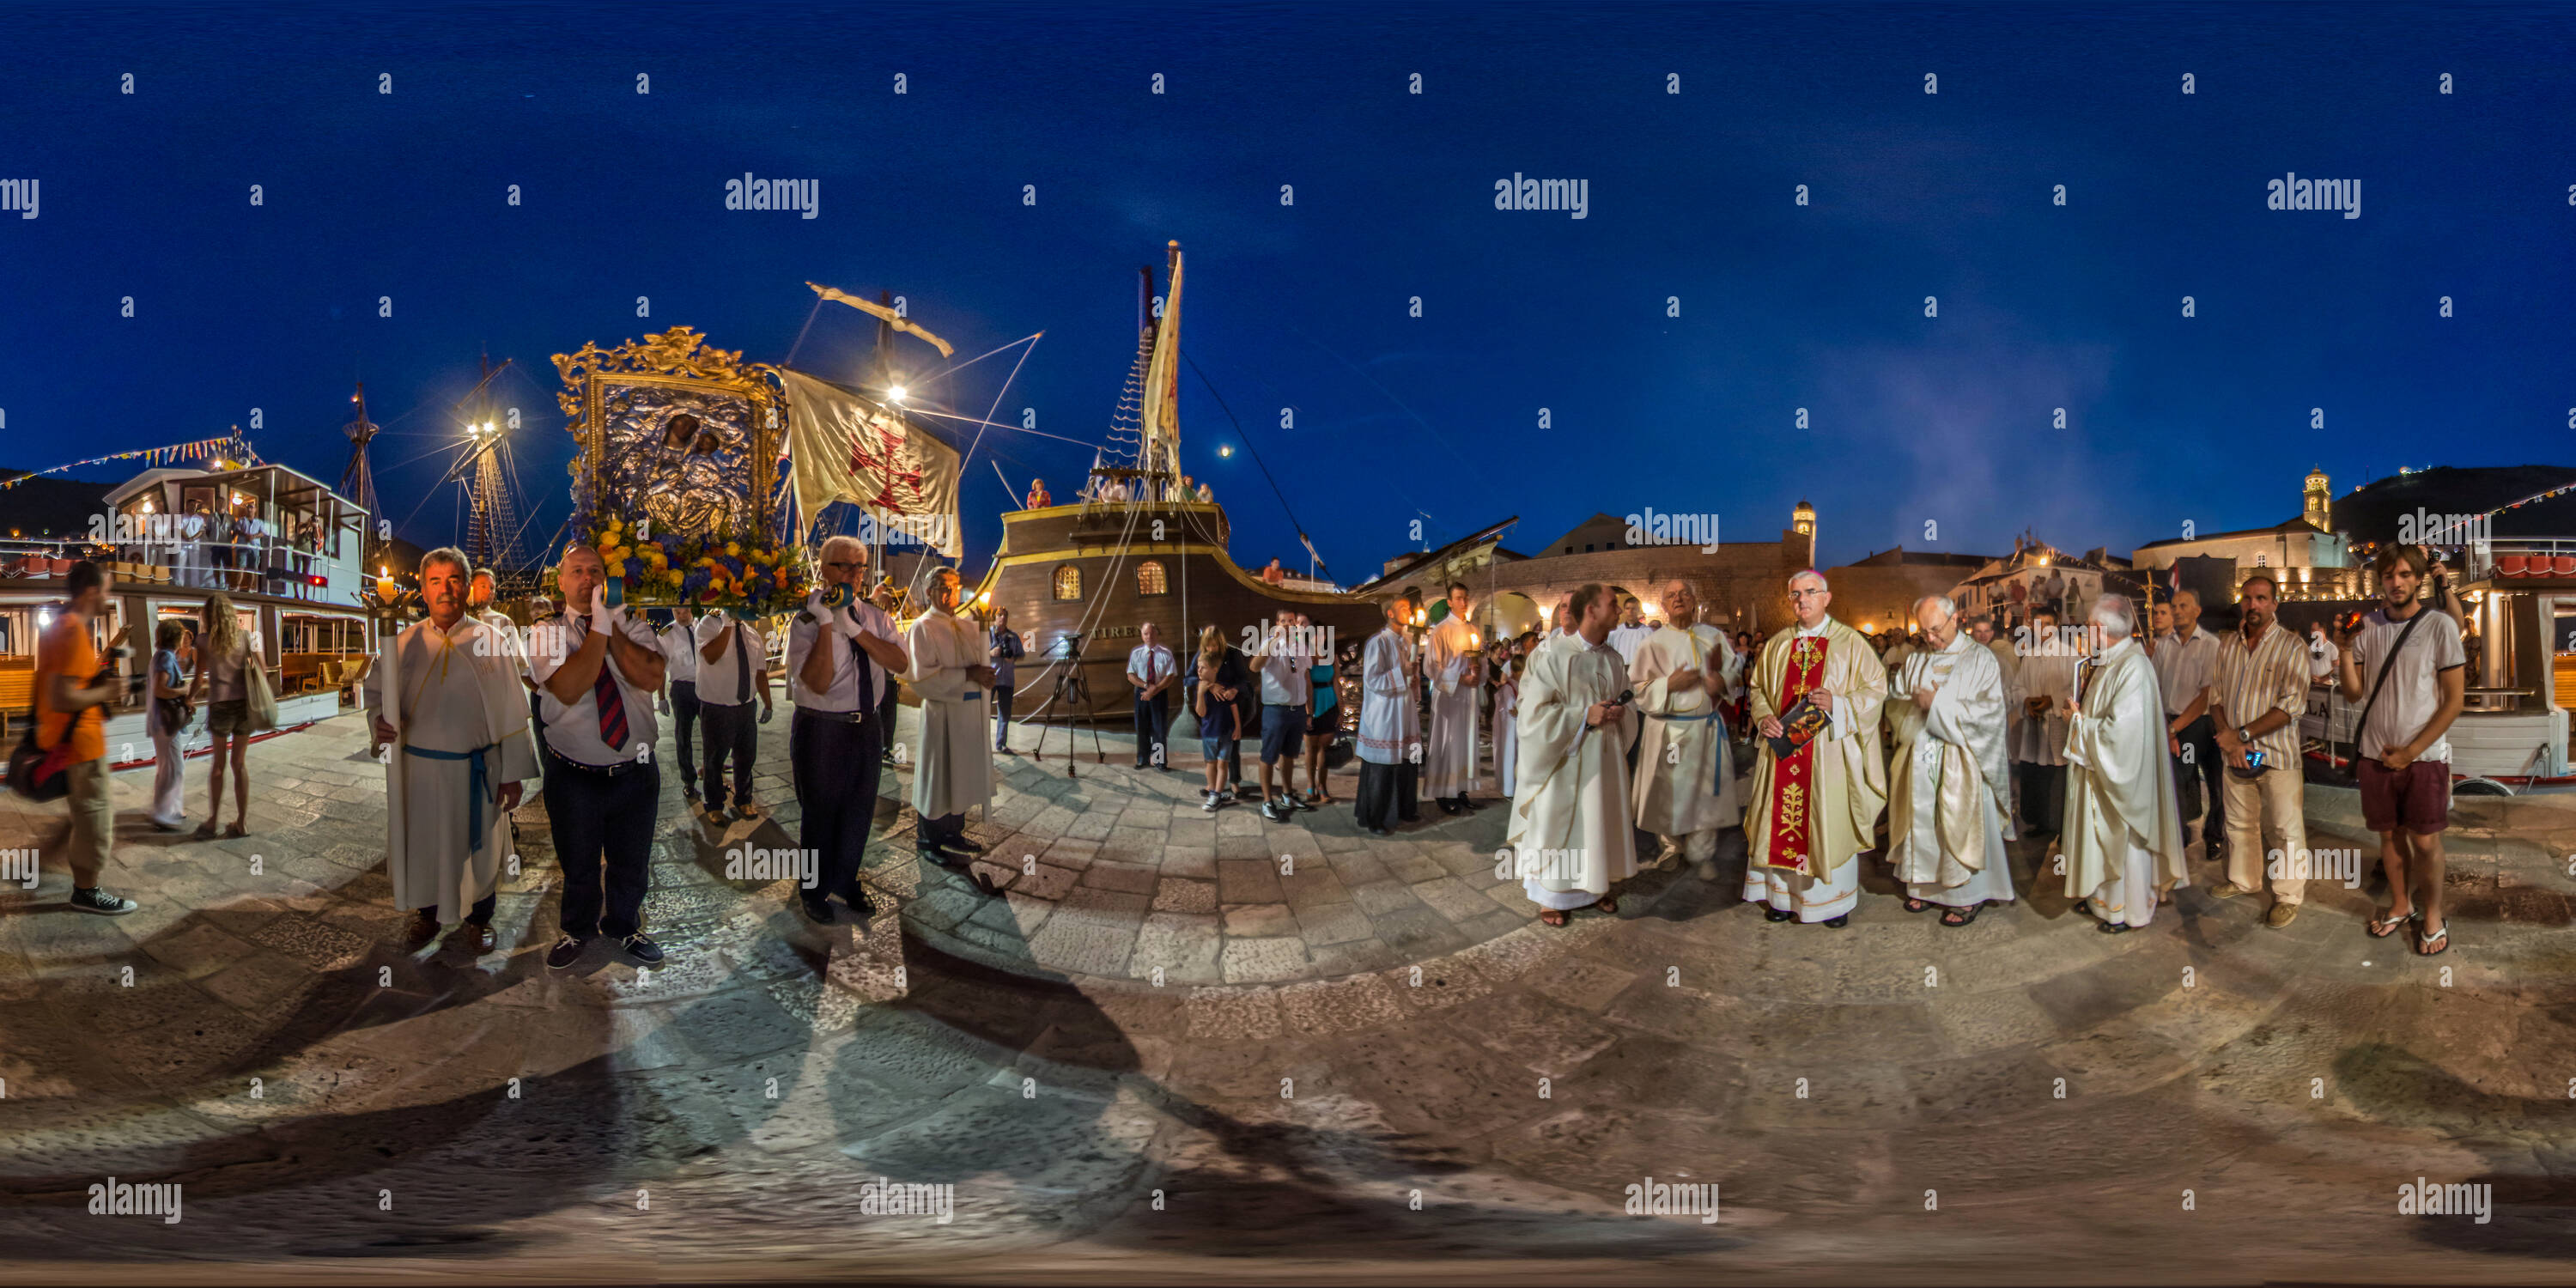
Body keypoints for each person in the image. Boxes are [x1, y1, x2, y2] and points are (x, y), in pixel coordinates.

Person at [366, 549, 538, 955]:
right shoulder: (402, 643)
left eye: (454, 580)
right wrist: (379, 722)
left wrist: (512, 772)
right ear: (422, 590)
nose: (446, 589)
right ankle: (427, 914)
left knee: (479, 849)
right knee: (423, 845)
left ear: (466, 588)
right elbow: (376, 697)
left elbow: (513, 710)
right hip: (419, 773)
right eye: (436, 581)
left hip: (475, 771)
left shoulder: (489, 640)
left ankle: (480, 920)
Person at [529, 541, 668, 969]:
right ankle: (577, 929)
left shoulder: (637, 628)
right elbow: (570, 686)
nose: (588, 578)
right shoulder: (546, 631)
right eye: (578, 571)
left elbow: (649, 676)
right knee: (579, 862)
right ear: (561, 582)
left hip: (635, 770)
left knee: (632, 861)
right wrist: (600, 629)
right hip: (574, 776)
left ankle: (625, 925)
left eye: (595, 571)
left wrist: (611, 623)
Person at [2337, 544, 2468, 957]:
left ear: (2419, 579)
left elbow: (2453, 701)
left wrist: (2412, 751)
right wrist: (2342, 650)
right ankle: (2400, 903)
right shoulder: (2368, 629)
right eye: (2390, 575)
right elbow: (2354, 694)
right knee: (2389, 838)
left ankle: (2433, 913)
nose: (2397, 582)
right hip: (2376, 757)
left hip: (2424, 759)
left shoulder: (2440, 626)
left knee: (2426, 842)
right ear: (2381, 581)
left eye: (2406, 575)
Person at [1743, 569, 1887, 927]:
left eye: (1810, 592)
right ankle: (1781, 897)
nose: (1801, 600)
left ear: (1827, 597)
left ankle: (1830, 902)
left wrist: (1839, 704)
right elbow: (1758, 689)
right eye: (1795, 594)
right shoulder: (1777, 645)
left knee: (1827, 821)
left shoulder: (1851, 642)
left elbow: (1876, 691)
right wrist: (1763, 718)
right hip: (1782, 752)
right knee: (1778, 818)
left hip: (1828, 755)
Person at [787, 535, 910, 924]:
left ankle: (846, 878)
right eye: (846, 566)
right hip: (822, 728)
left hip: (865, 726)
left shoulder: (875, 618)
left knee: (859, 810)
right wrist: (828, 624)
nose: (856, 574)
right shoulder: (806, 620)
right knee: (820, 814)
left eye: (861, 567)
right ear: (824, 569)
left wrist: (853, 630)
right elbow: (817, 683)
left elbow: (900, 663)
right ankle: (814, 888)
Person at [1507, 582, 1637, 927]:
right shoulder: (1553, 656)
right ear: (1591, 610)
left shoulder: (1612, 658)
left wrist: (1622, 712)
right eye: (1612, 603)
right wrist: (1583, 716)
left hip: (1605, 760)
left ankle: (1595, 888)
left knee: (1599, 821)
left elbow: (1630, 701)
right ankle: (1553, 896)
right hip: (1564, 761)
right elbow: (1532, 717)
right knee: (1561, 826)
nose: (1619, 609)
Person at [2058, 593, 2190, 932]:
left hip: (2123, 780)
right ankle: (2101, 901)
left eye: (2089, 626)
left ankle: (2128, 910)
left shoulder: (2132, 665)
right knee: (2103, 839)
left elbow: (2122, 737)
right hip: (2099, 772)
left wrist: (2076, 723)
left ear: (2101, 628)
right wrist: (2080, 716)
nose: (2085, 631)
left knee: (2124, 840)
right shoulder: (2110, 659)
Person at [1888, 594, 2015, 926]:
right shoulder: (1916, 659)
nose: (1930, 638)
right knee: (1924, 822)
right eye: (1924, 632)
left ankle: (1966, 896)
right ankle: (1925, 888)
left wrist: (1938, 705)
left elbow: (1990, 714)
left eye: (1935, 630)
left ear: (1955, 619)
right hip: (1921, 755)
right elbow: (1897, 698)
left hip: (1963, 760)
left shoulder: (1980, 659)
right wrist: (1907, 700)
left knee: (1956, 825)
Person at [2207, 573, 2311, 928]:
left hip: (2277, 755)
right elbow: (2215, 697)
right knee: (2239, 823)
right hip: (2234, 752)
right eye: (2248, 598)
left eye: (2262, 598)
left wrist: (2242, 734)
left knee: (2284, 827)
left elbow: (2291, 706)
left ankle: (2287, 896)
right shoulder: (2228, 645)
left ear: (2274, 604)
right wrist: (2228, 736)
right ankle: (2244, 879)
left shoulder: (2292, 647)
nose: (2253, 605)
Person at [34, 561, 139, 914]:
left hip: (70, 742)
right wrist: (108, 691)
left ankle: (51, 863)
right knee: (96, 819)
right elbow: (63, 697)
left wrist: (97, 679)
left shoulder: (63, 627)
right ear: (92, 591)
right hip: (81, 745)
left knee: (83, 813)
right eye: (107, 590)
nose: (109, 598)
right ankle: (87, 891)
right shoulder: (71, 630)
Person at [1629, 579, 1741, 880]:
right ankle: (1671, 847)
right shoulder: (1652, 643)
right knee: (1669, 790)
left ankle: (1701, 852)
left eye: (1684, 594)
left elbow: (1734, 673)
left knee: (1707, 793)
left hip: (1705, 730)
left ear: (1694, 600)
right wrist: (1669, 684)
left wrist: (1722, 682)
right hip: (1670, 732)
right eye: (1671, 595)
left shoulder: (1713, 636)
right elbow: (1638, 688)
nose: (1678, 598)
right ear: (1664, 605)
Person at [907, 567, 997, 870]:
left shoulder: (967, 625)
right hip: (942, 712)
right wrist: (969, 674)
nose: (950, 593)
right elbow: (922, 679)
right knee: (939, 777)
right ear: (929, 591)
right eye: (943, 587)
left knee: (960, 776)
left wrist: (986, 676)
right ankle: (928, 839)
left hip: (968, 712)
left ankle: (953, 832)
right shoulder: (923, 627)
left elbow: (981, 660)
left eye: (955, 586)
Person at [187, 591, 267, 839]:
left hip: (220, 706)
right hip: (244, 705)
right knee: (239, 764)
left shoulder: (202, 641)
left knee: (219, 766)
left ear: (208, 615)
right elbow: (262, 671)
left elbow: (199, 678)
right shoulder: (246, 636)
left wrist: (189, 698)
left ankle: (212, 822)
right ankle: (242, 823)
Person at [2153, 590, 2226, 860]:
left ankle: (2214, 836)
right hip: (2176, 725)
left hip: (2202, 724)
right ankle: (2180, 833)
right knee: (2181, 777)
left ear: (2197, 610)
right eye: (2174, 606)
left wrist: (2174, 729)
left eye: (2184, 605)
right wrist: (2167, 727)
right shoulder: (2163, 647)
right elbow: (2156, 690)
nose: (2177, 610)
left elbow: (2205, 694)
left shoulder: (2210, 645)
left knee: (2216, 783)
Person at [694, 606, 773, 822]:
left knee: (746, 757)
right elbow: (710, 656)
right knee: (714, 760)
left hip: (746, 707)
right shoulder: (708, 625)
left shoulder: (752, 634)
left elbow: (760, 673)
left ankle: (744, 799)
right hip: (717, 707)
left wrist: (768, 703)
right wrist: (727, 624)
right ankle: (715, 803)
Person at [1355, 592, 1423, 835]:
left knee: (1408, 761)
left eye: (1409, 608)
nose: (1409, 611)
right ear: (1390, 613)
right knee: (1383, 766)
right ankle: (1376, 818)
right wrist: (1401, 671)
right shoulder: (1378, 642)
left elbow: (1408, 677)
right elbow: (1372, 679)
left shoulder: (1407, 640)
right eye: (1403, 608)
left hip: (1404, 710)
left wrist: (1412, 676)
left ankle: (1405, 808)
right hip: (1384, 713)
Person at [2008, 607, 2078, 838]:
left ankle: (2058, 823)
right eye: (2037, 624)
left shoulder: (2069, 654)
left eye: (2047, 623)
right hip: (2034, 722)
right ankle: (2037, 820)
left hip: (2056, 722)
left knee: (2055, 772)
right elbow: (2019, 686)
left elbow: (2075, 689)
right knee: (2034, 771)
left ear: (2056, 626)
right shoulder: (2030, 655)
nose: (2043, 629)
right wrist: (2026, 701)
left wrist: (2052, 700)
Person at [1422, 583, 1485, 815]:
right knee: (1447, 744)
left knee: (1465, 743)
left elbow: (1481, 662)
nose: (1463, 602)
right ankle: (1443, 791)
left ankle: (1461, 789)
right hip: (1449, 696)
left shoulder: (1473, 630)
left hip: (1468, 697)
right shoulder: (1441, 630)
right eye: (1458, 598)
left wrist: (1479, 673)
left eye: (1466, 598)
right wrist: (1460, 678)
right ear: (1449, 601)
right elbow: (1431, 667)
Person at [1250, 613, 1312, 820]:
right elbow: (1255, 666)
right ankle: (1267, 801)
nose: (1288, 624)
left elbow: (1305, 675)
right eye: (1283, 621)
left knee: (1290, 755)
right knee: (1269, 756)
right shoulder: (1269, 643)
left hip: (1297, 709)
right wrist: (1275, 639)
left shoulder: (1299, 645)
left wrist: (1309, 707)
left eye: (1291, 621)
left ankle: (1287, 794)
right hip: (1276, 709)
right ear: (1276, 623)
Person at [144, 619, 192, 832]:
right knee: (173, 768)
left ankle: (170, 808)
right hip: (166, 722)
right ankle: (162, 813)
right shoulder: (165, 657)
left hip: (161, 721)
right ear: (176, 636)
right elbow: (160, 689)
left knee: (168, 766)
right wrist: (184, 691)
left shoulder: (162, 655)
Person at [654, 607, 704, 804]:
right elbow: (661, 668)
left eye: (685, 611)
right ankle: (688, 780)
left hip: (706, 687)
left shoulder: (703, 626)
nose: (682, 616)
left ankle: (712, 772)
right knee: (683, 736)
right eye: (677, 612)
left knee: (713, 734)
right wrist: (661, 698)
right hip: (682, 689)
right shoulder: (666, 634)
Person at [1193, 625, 1239, 811]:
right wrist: (1203, 690)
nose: (1211, 649)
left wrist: (1238, 727)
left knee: (1223, 762)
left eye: (1201, 668)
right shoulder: (1201, 680)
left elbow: (1234, 704)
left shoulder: (1230, 662)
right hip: (1209, 731)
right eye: (1208, 645)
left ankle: (1217, 794)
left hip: (1226, 729)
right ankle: (1214, 791)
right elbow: (1200, 712)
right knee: (1211, 763)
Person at [1128, 623, 1177, 769]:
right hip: (1141, 694)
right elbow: (1130, 675)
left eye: (1151, 633)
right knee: (1141, 728)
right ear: (1142, 636)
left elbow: (1170, 676)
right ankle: (1142, 759)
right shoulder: (1136, 653)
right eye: (1145, 634)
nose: (1149, 636)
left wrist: (1155, 689)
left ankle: (1159, 761)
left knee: (1159, 729)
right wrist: (1146, 687)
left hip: (1159, 694)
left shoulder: (1166, 653)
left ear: (1157, 634)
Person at [1302, 630, 1340, 805]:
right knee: (1310, 746)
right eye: (1315, 635)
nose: (1319, 638)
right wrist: (1308, 711)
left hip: (1329, 702)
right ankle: (1311, 785)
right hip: (1312, 701)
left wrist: (1342, 706)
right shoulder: (1305, 656)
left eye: (1323, 635)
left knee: (1325, 747)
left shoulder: (1332, 656)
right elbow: (1306, 683)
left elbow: (1336, 681)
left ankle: (1322, 786)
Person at [989, 607, 1024, 753]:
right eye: (999, 615)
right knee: (983, 712)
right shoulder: (986, 634)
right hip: (989, 677)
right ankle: (981, 743)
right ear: (994, 617)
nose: (1002, 618)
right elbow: (975, 654)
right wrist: (990, 652)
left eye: (1005, 615)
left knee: (1005, 713)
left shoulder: (1013, 637)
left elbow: (1021, 654)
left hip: (1007, 680)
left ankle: (1001, 744)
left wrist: (1013, 658)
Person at [1492, 652, 1522, 799]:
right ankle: (1508, 787)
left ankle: (1516, 786)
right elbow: (1512, 708)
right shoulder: (1508, 687)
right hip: (1510, 727)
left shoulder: (1518, 684)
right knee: (1509, 754)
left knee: (1516, 755)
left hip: (1517, 727)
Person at [1606, 596, 1653, 665]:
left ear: (1639, 610)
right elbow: (1608, 651)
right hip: (1619, 668)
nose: (1630, 611)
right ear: (1624, 610)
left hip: (1638, 668)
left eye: (1634, 609)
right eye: (1627, 609)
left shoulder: (1647, 632)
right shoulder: (1615, 631)